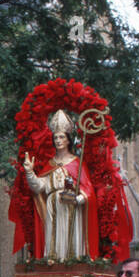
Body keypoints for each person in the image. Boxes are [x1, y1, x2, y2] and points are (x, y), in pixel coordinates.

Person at [20, 109, 96, 261]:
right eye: (55, 137)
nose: (58, 140)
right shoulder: (50, 164)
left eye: (62, 137)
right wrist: (29, 172)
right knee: (52, 237)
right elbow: (39, 187)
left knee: (71, 237)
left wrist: (78, 199)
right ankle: (52, 262)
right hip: (52, 204)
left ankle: (72, 262)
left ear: (68, 139)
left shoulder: (76, 163)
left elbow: (88, 190)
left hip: (71, 206)